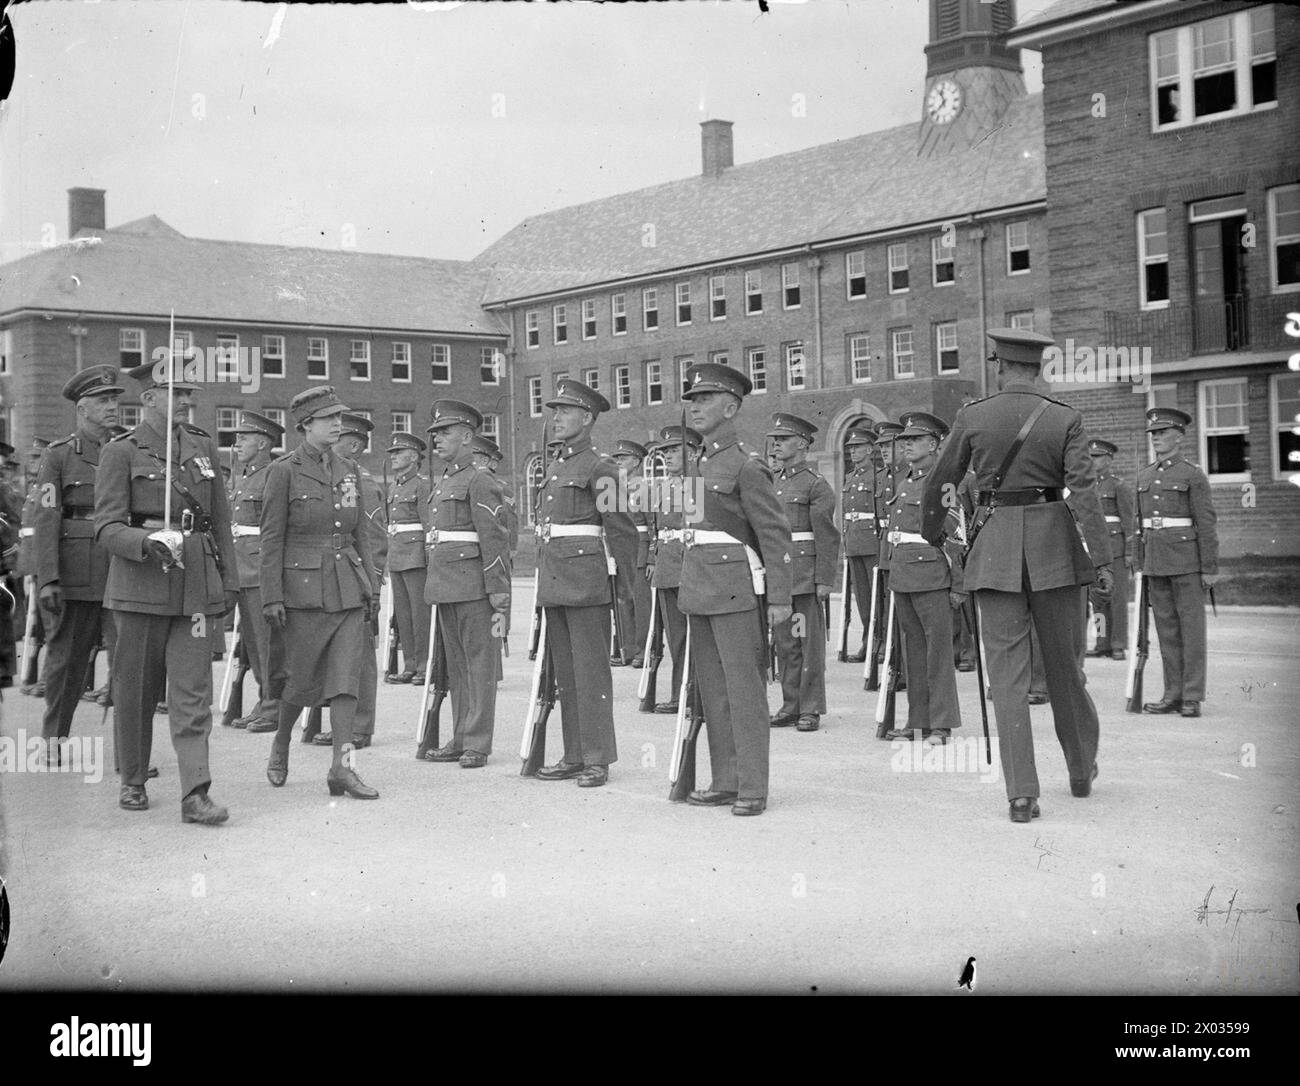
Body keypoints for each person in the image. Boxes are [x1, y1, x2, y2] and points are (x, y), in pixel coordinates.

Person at [922, 328, 1113, 824]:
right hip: (1057, 552)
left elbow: (941, 481)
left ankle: (1021, 794)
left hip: (995, 552)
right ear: (1039, 369)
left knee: (1006, 679)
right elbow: (1085, 493)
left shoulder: (973, 415)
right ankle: (1079, 767)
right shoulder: (1064, 418)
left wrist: (935, 534)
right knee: (1065, 670)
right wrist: (1104, 561)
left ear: (1001, 367)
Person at [95, 361, 239, 823]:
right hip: (139, 587)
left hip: (194, 585)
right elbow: (106, 528)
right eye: (174, 393)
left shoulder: (201, 447)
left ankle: (195, 793)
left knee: (193, 691)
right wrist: (145, 542)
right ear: (150, 398)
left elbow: (219, 520)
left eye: (188, 394)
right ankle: (133, 778)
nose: (185, 401)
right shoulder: (121, 451)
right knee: (135, 689)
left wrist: (229, 581)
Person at [677, 365, 793, 815]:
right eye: (692, 399)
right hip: (699, 587)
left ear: (730, 407)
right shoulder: (697, 463)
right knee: (713, 691)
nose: (695, 406)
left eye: (705, 399)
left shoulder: (746, 465)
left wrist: (781, 598)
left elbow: (774, 535)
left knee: (744, 691)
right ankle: (724, 779)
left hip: (734, 590)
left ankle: (752, 787)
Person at [260, 387, 379, 798]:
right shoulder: (284, 471)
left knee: (346, 680)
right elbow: (271, 538)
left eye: (339, 417)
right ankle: (281, 741)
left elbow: (360, 530)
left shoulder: (347, 469)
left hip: (347, 585)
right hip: (302, 590)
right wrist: (272, 596)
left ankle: (341, 769)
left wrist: (373, 586)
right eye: (328, 419)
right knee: (300, 681)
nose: (337, 424)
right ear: (305, 424)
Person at [531, 378, 638, 788]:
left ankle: (597, 757)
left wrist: (626, 589)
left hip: (587, 582)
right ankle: (573, 754)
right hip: (556, 579)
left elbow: (622, 529)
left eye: (565, 411)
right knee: (567, 676)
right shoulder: (557, 465)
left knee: (591, 673)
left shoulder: (601, 466)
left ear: (588, 418)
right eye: (554, 411)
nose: (556, 417)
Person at [32, 366, 122, 760]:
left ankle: (129, 750)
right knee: (66, 659)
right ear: (82, 408)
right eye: (103, 401)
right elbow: (46, 517)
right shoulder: (59, 456)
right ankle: (53, 739)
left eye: (115, 400)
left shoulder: (127, 448)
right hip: (76, 571)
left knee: (129, 661)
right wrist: (48, 577)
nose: (112, 407)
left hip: (123, 569)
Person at [418, 400, 511, 767]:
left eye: (445, 433)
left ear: (468, 437)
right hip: (446, 585)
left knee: (479, 667)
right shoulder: (445, 480)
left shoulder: (479, 479)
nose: (437, 439)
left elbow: (494, 538)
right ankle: (459, 737)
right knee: (457, 667)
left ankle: (476, 743)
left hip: (474, 587)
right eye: (435, 433)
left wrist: (498, 590)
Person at [882, 411, 964, 745]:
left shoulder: (942, 483)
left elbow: (956, 536)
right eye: (904, 441)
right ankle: (917, 720)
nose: (906, 446)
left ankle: (941, 723)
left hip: (932, 575)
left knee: (937, 654)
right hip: (903, 575)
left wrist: (959, 583)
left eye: (914, 440)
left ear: (933, 444)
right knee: (912, 652)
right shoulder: (906, 482)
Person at [1135, 407, 1218, 718]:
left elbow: (1206, 524)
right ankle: (1173, 693)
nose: (1156, 438)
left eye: (1163, 433)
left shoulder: (1192, 475)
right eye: (1154, 434)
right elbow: (1138, 526)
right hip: (1156, 563)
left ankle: (1192, 696)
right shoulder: (1144, 475)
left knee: (1191, 631)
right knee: (1166, 631)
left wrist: (1209, 567)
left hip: (1186, 562)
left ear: (1180, 437)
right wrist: (1138, 563)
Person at [767, 413, 837, 733]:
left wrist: (824, 580)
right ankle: (790, 704)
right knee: (786, 644)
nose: (777, 444)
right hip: (781, 577)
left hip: (805, 577)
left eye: (784, 439)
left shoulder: (815, 484)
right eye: (776, 440)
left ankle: (810, 708)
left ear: (803, 445)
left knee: (807, 644)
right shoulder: (774, 481)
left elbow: (826, 536)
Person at [323, 413, 388, 748]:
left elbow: (375, 540)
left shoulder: (361, 482)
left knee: (360, 655)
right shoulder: (329, 476)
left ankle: (360, 726)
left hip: (357, 579)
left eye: (336, 438)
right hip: (332, 577)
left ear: (352, 445)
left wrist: (371, 586)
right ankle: (342, 724)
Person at [226, 410, 287, 733]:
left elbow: (274, 529)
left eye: (244, 437)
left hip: (260, 568)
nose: (236, 443)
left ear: (263, 443)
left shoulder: (272, 475)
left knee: (267, 644)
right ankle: (265, 698)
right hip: (242, 567)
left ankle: (273, 705)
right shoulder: (245, 476)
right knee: (252, 642)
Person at [646, 424, 702, 713]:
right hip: (667, 567)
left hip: (688, 565)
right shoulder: (663, 486)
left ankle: (692, 695)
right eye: (664, 452)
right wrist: (653, 560)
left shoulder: (696, 485)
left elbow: (697, 528)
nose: (666, 457)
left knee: (693, 636)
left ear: (691, 454)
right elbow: (657, 530)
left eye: (673, 451)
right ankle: (680, 693)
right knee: (675, 637)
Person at [384, 431, 431, 685]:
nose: (393, 457)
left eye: (398, 453)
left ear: (413, 457)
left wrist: (428, 559)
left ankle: (424, 665)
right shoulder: (395, 485)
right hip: (397, 555)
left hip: (415, 556)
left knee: (419, 614)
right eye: (392, 453)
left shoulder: (422, 486)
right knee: (403, 614)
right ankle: (410, 664)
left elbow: (428, 525)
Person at [1085, 438, 1135, 661]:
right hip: (1094, 551)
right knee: (1098, 599)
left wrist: (1130, 552)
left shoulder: (1118, 486)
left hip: (1116, 549)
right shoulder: (1086, 486)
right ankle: (1102, 641)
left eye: (1097, 457)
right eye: (1091, 457)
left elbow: (1129, 522)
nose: (1093, 461)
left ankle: (1118, 644)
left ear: (1108, 460)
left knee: (1117, 599)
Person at [839, 424, 879, 664]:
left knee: (876, 597)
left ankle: (879, 642)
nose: (853, 452)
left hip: (872, 542)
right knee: (862, 598)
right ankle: (867, 640)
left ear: (869, 450)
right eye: (851, 447)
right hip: (854, 542)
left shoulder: (877, 476)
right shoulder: (849, 477)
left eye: (858, 447)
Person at [611, 439, 652, 668]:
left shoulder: (644, 488)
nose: (619, 463)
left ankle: (643, 649)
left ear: (636, 462)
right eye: (616, 459)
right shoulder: (613, 488)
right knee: (622, 601)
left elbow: (652, 524)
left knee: (640, 603)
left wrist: (651, 556)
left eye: (623, 459)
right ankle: (626, 648)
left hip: (638, 549)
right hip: (619, 550)